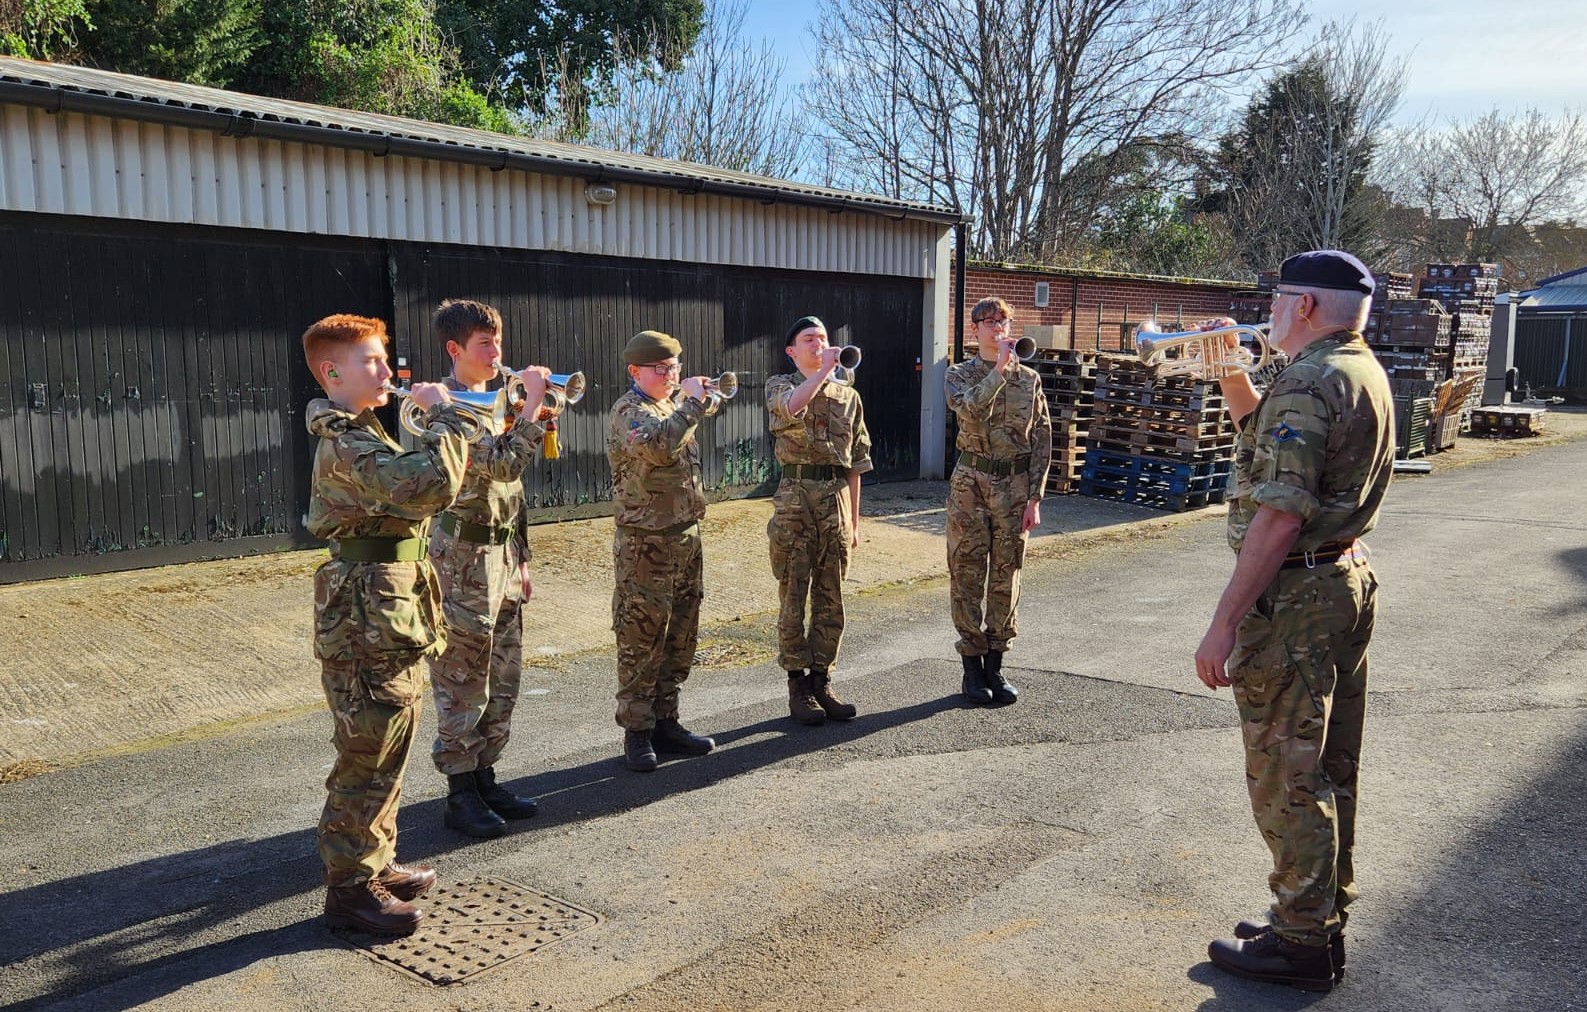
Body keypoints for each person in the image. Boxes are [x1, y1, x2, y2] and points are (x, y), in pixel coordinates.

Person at [1193, 250, 1394, 992]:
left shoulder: (1309, 378)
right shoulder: (1350, 367)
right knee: (1328, 764)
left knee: (1288, 772)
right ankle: (1311, 911)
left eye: (1278, 300)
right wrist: (1227, 370)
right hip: (1339, 580)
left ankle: (1302, 943)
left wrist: (1222, 624)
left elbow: (1278, 514)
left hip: (1298, 596)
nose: (1268, 312)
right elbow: (1272, 442)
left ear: (1304, 306)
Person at [302, 313, 470, 935]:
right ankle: (349, 891)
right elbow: (430, 486)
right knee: (367, 750)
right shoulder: (348, 440)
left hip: (387, 610)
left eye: (384, 358)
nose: (386, 370)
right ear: (333, 372)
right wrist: (449, 419)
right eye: (370, 361)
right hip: (364, 616)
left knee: (393, 738)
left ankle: (376, 862)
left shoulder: (368, 428)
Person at [425, 299, 550, 839]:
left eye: (498, 342)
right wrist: (533, 410)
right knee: (462, 677)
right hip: (461, 561)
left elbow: (514, 495)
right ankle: (459, 792)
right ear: (455, 349)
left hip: (501, 554)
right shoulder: (444, 407)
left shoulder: (501, 401)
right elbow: (500, 466)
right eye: (484, 344)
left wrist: (521, 558)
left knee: (504, 675)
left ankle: (486, 775)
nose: (496, 352)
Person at [605, 330, 722, 772]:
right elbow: (656, 448)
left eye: (674, 367)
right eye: (661, 368)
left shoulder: (671, 406)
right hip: (644, 543)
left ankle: (666, 721)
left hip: (686, 536)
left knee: (680, 633)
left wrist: (696, 401)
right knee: (641, 637)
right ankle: (637, 732)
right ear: (636, 371)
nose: (671, 374)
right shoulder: (628, 410)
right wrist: (692, 403)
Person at [765, 316, 873, 726]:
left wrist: (855, 522)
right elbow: (791, 409)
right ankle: (797, 686)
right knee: (793, 594)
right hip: (795, 501)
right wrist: (825, 370)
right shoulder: (781, 385)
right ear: (792, 350)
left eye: (824, 339)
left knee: (832, 598)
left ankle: (822, 680)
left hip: (836, 503)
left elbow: (857, 463)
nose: (819, 344)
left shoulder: (849, 396)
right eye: (810, 340)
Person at [944, 297, 1052, 704]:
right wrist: (1000, 371)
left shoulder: (1029, 379)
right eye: (988, 322)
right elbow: (968, 410)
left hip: (1015, 487)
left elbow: (1042, 437)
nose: (997, 328)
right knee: (967, 572)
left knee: (1008, 574)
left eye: (1003, 320)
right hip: (970, 485)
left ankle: (997, 665)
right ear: (975, 330)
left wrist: (1036, 496)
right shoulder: (959, 374)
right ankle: (971, 668)